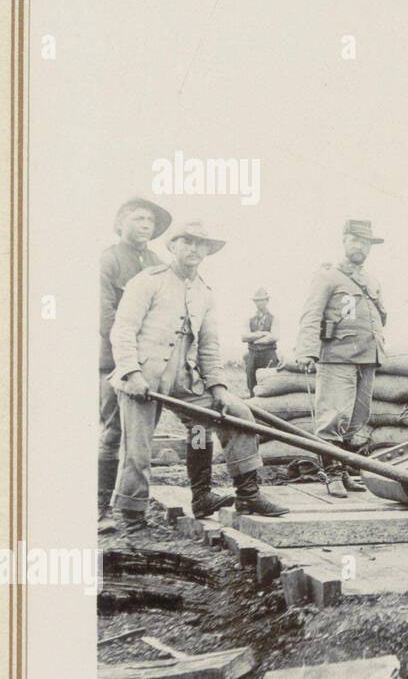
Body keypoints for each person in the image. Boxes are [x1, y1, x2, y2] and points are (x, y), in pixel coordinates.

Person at [109, 221, 287, 533]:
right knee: (138, 448)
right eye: (187, 242)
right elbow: (123, 330)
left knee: (228, 416)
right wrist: (131, 372)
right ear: (173, 246)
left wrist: (217, 386)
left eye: (201, 244)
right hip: (144, 376)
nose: (194, 249)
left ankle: (232, 494)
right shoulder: (148, 281)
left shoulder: (205, 293)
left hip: (184, 380)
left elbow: (209, 345)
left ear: (207, 251)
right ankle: (132, 514)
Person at [286, 220, 388, 498]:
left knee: (357, 417)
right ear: (344, 240)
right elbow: (311, 314)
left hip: (367, 357)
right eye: (355, 240)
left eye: (366, 243)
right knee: (334, 415)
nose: (361, 247)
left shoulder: (372, 281)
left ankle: (343, 471)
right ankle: (331, 475)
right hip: (337, 356)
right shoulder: (328, 276)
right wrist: (307, 351)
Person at [99, 197, 172, 523]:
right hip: (115, 359)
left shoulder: (156, 262)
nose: (146, 225)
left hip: (153, 363)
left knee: (142, 433)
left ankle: (131, 502)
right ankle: (101, 507)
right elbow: (105, 316)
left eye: (151, 222)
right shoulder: (109, 261)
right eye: (139, 218)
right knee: (114, 431)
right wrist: (128, 357)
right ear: (120, 222)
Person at [241, 287, 280, 394]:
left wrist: (254, 339)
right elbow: (244, 337)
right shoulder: (250, 319)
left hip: (269, 354)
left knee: (270, 382)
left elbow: (274, 336)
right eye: (257, 301)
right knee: (251, 382)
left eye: (262, 300)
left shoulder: (273, 318)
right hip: (252, 354)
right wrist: (262, 334)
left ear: (267, 301)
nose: (259, 303)